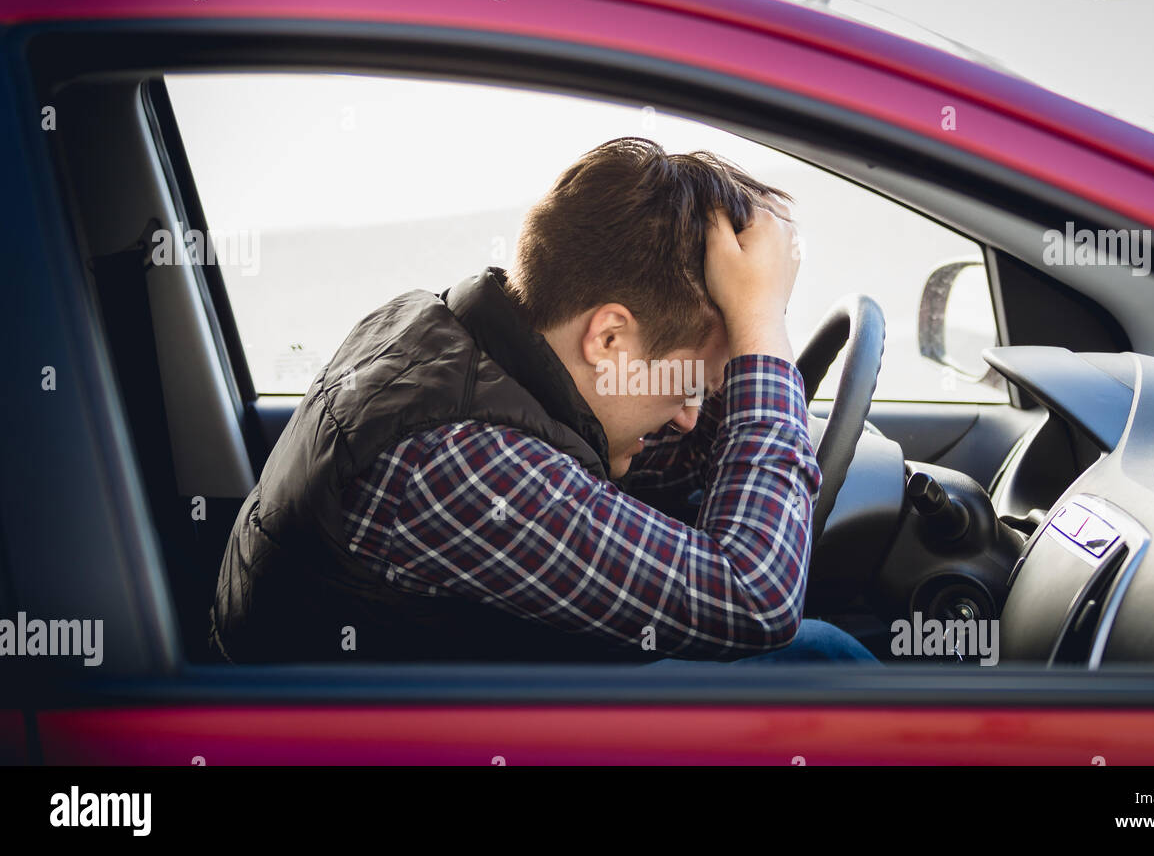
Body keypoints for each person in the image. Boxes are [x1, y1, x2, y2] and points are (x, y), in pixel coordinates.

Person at [209, 136, 875, 665]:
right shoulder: (465, 461)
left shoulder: (457, 332)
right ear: (608, 337)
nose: (688, 414)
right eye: (686, 384)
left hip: (448, 687)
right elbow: (757, 602)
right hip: (359, 737)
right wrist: (761, 327)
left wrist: (744, 337)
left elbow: (666, 460)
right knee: (823, 660)